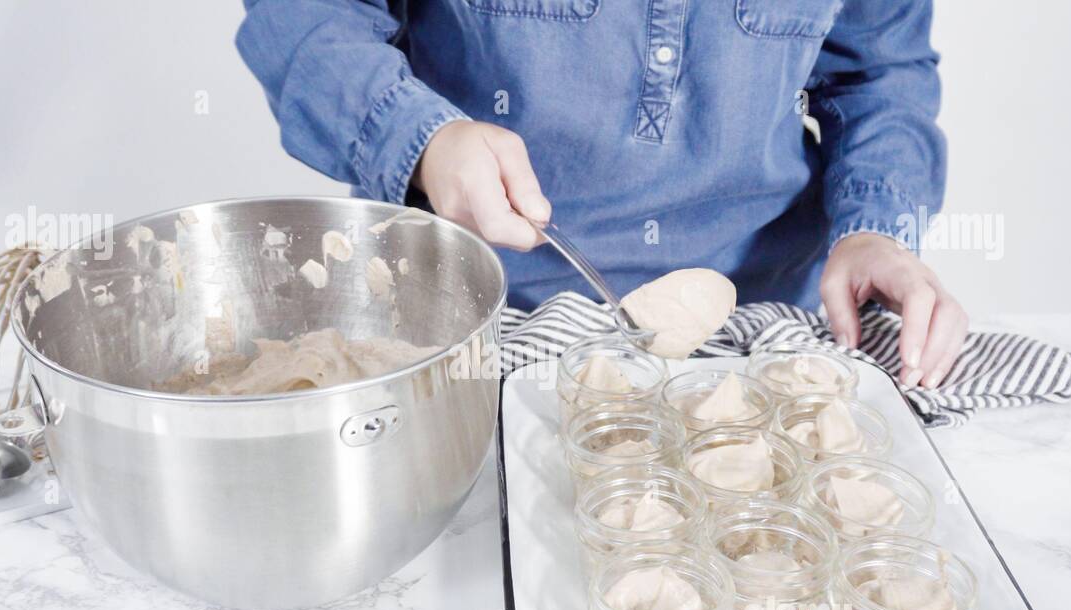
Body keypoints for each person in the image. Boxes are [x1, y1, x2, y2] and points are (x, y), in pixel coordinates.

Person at [237, 0, 967, 388]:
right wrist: (420, 137)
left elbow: (878, 74)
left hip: (766, 334)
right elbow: (301, 17)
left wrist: (876, 227)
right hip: (471, 333)